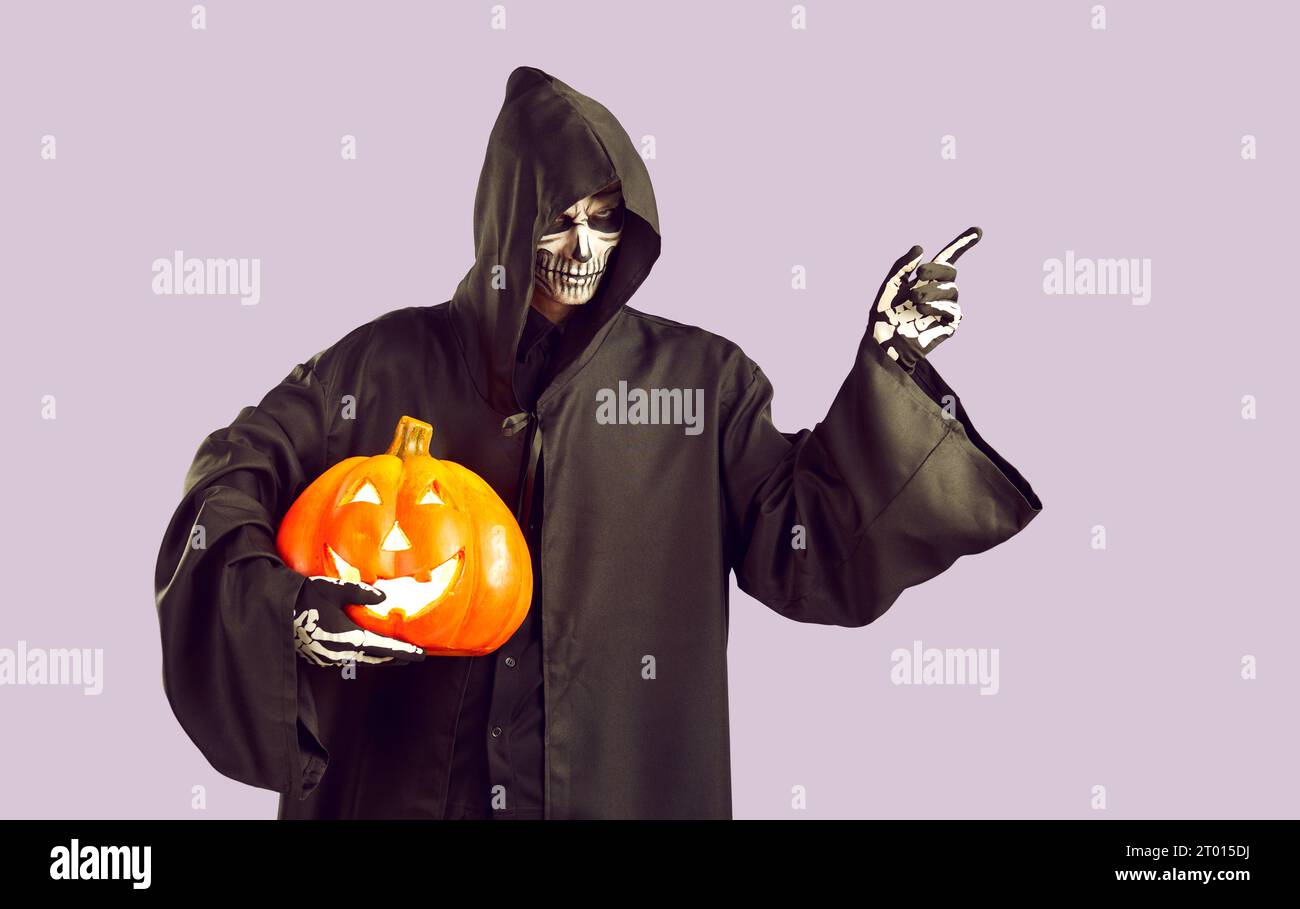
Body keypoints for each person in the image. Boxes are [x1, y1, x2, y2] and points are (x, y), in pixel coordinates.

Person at [154, 65, 1042, 820]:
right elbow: (233, 471)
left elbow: (803, 541)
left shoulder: (702, 384)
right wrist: (284, 610)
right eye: (558, 216)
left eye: (606, 215)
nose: (585, 245)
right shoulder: (378, 366)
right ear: (505, 216)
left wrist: (883, 375)